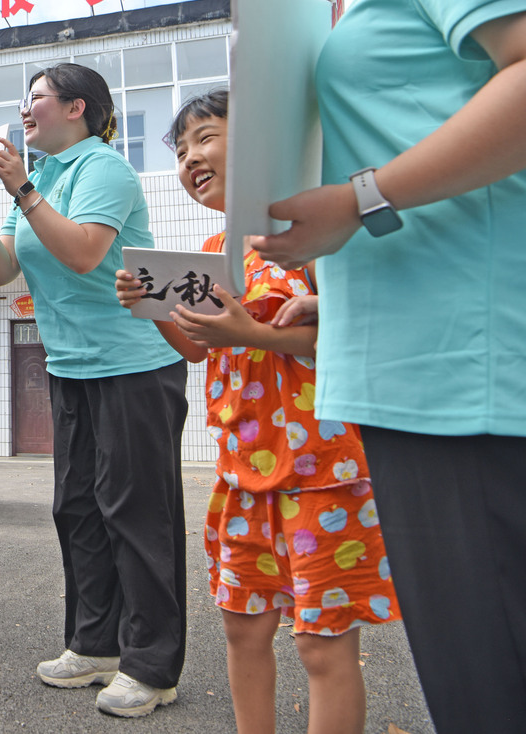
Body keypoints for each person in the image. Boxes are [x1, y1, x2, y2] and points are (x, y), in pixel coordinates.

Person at [250, 0, 526, 732]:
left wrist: (361, 199)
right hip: (433, 365)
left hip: (462, 383)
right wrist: (343, 302)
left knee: (489, 686)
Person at [117, 90, 401, 734]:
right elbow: (196, 348)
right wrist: (149, 306)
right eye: (181, 149)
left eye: (206, 138)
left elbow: (349, 332)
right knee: (243, 634)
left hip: (322, 471)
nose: (191, 157)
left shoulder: (309, 232)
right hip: (242, 475)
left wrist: (259, 337)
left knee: (321, 644)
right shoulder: (215, 248)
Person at [0, 63, 188, 718]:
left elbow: (84, 252)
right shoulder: (40, 181)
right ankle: (95, 644)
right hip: (73, 368)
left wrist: (21, 186)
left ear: (78, 108)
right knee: (79, 509)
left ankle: (152, 665)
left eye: (36, 101)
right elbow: (1, 272)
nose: (24, 114)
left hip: (135, 365)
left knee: (137, 514)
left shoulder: (101, 169)